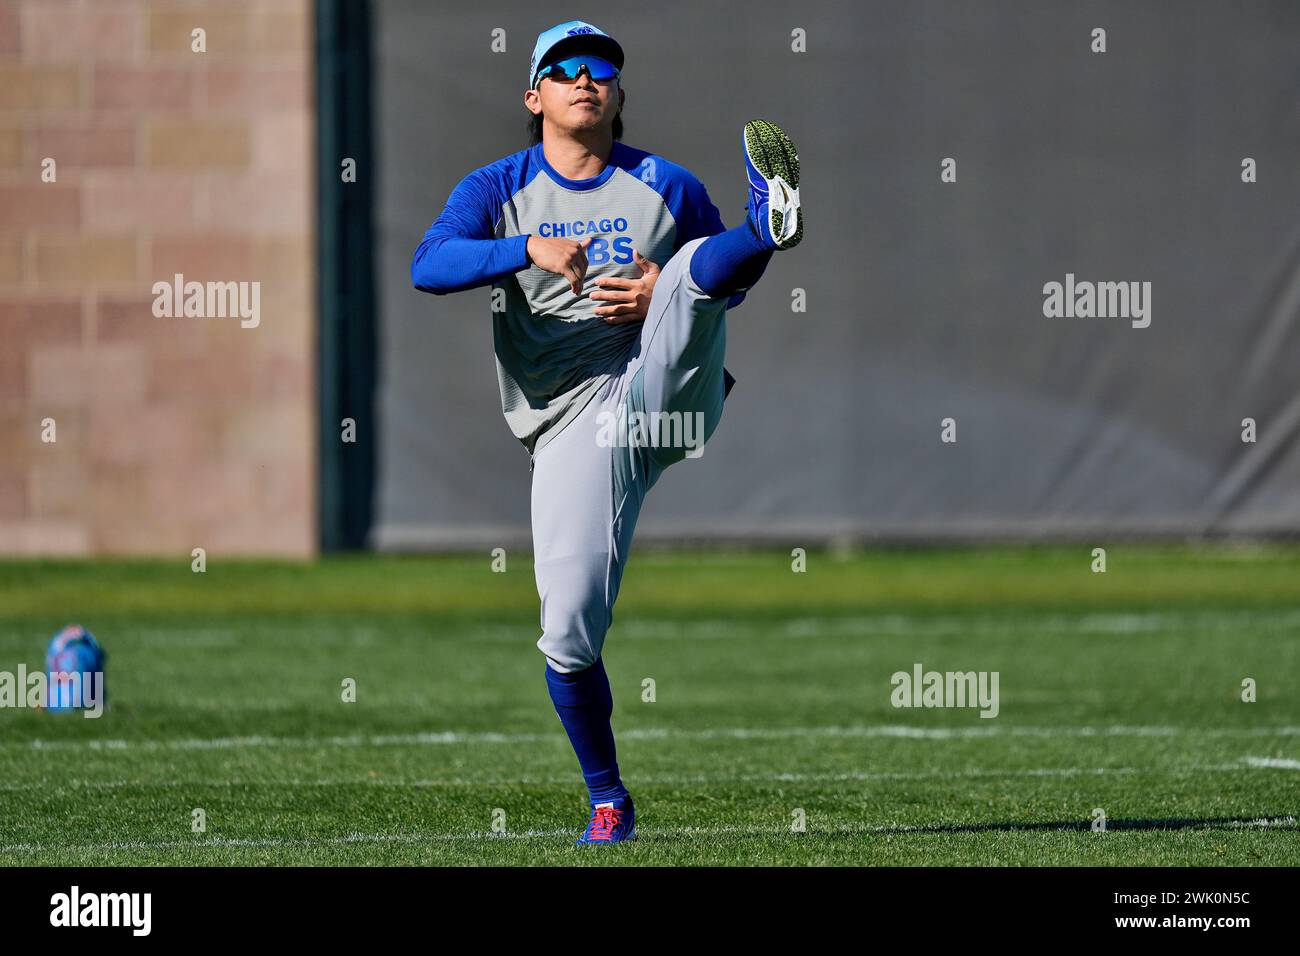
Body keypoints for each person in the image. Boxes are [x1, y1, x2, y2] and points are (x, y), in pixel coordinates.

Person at [412, 19, 803, 844]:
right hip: (568, 422)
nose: (585, 77)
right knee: (568, 629)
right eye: (565, 68)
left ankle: (768, 215)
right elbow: (430, 265)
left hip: (660, 388)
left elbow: (729, 290)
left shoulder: (666, 183)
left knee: (692, 281)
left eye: (602, 69)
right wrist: (525, 250)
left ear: (619, 95)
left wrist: (666, 280)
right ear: (535, 95)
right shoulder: (499, 186)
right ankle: (609, 797)